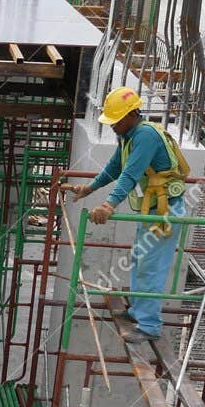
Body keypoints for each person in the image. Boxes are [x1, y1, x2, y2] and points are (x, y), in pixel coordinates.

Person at [73, 86, 190, 347]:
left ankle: (149, 325)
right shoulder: (128, 136)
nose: (112, 126)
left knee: (150, 266)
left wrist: (109, 205)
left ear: (131, 115)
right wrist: (89, 189)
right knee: (140, 260)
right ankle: (138, 311)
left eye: (115, 121)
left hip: (165, 212)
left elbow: (130, 174)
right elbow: (115, 167)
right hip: (153, 210)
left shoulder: (145, 135)